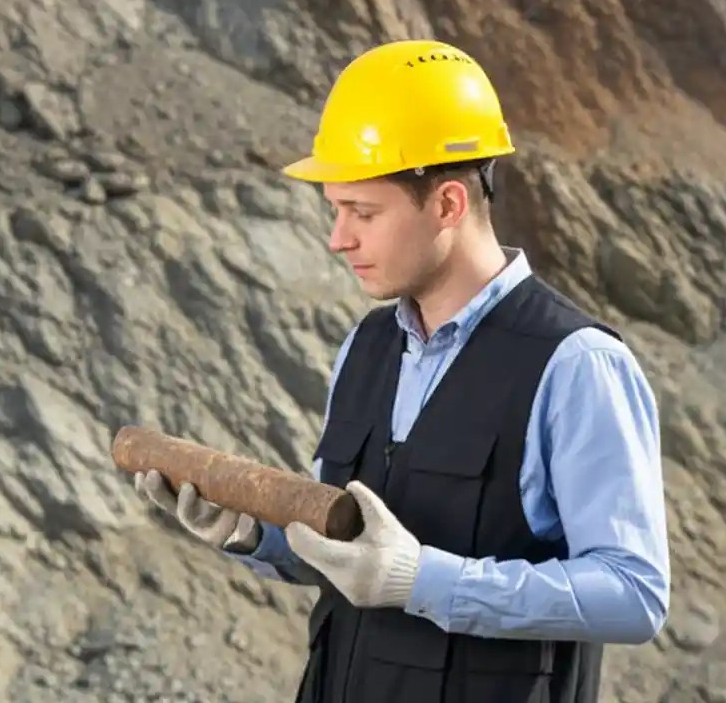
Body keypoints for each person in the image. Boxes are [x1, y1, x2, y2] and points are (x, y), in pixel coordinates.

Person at [135, 39, 670, 703]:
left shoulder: (574, 366)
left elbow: (634, 592)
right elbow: (358, 552)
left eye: (363, 212)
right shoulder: (367, 348)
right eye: (336, 209)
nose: (338, 238)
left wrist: (422, 580)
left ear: (447, 204)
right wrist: (261, 538)